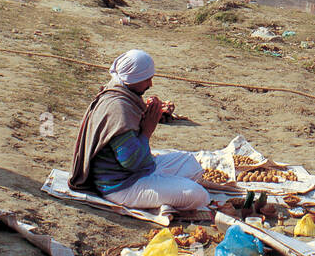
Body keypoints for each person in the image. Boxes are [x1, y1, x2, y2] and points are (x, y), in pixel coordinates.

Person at [69, 50, 210, 212]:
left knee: (190, 163)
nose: (150, 84)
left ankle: (165, 188)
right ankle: (164, 191)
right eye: (147, 79)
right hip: (120, 185)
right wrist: (147, 130)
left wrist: (150, 114)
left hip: (137, 169)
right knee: (200, 196)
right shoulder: (118, 108)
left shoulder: (122, 93)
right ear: (133, 78)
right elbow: (130, 162)